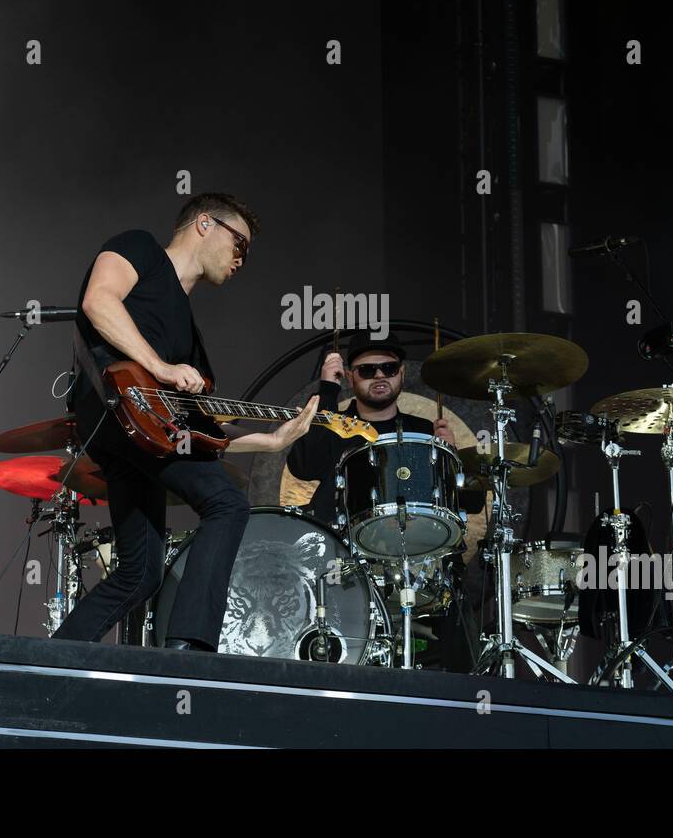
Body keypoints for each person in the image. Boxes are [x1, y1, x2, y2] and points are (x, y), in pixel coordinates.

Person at [53, 193, 318, 651]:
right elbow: (99, 302)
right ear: (203, 224)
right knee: (228, 504)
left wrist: (271, 443)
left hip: (146, 435)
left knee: (140, 574)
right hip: (114, 406)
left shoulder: (189, 338)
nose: (242, 259)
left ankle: (47, 663)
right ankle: (190, 653)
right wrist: (159, 366)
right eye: (240, 244)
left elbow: (195, 434)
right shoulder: (140, 249)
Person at [286, 330, 481, 670]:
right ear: (350, 376)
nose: (379, 375)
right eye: (367, 370)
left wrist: (452, 457)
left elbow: (468, 502)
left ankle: (460, 697)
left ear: (401, 374)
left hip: (419, 562)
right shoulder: (335, 424)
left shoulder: (425, 432)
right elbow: (303, 467)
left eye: (388, 368)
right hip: (346, 563)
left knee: (455, 574)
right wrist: (327, 390)